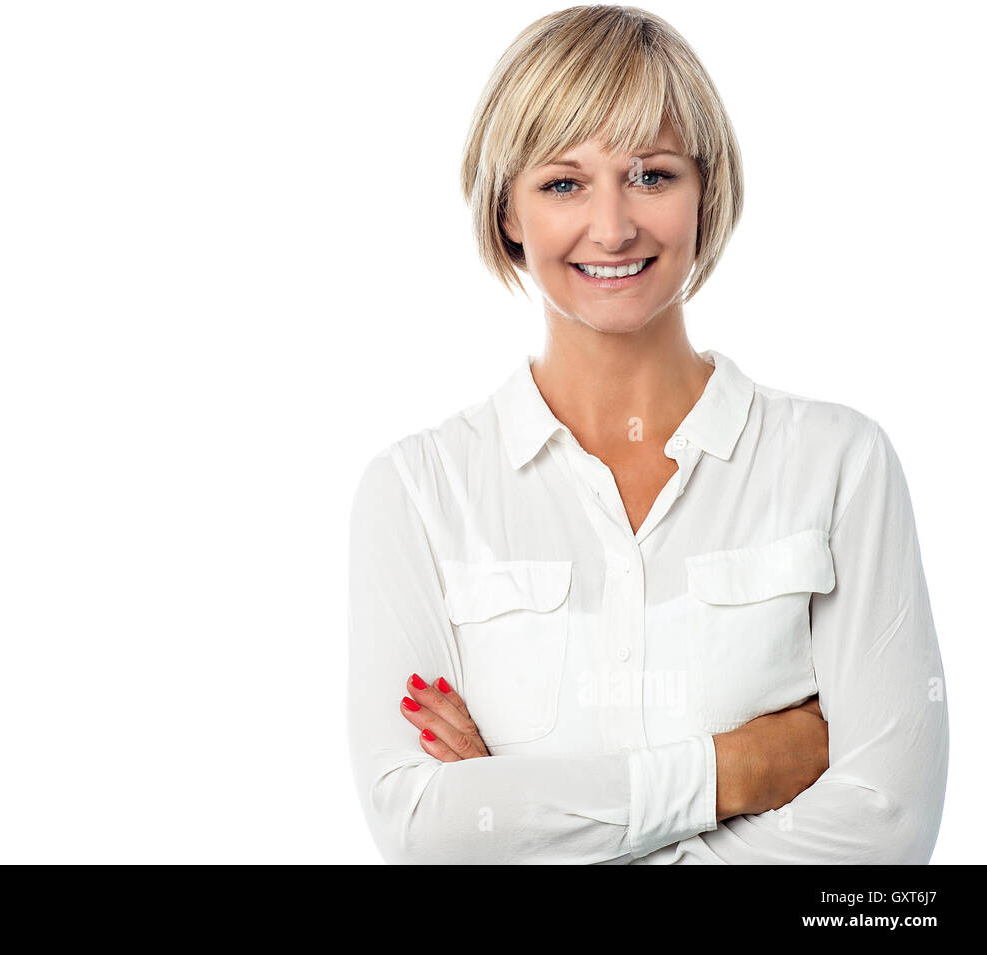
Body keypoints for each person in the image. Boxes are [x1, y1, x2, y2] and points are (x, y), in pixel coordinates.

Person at [345, 4, 949, 864]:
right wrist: (729, 771)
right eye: (563, 183)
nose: (614, 226)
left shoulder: (841, 465)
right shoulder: (416, 491)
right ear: (508, 212)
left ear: (706, 192)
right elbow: (423, 829)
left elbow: (887, 841)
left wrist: (524, 817)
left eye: (652, 175)